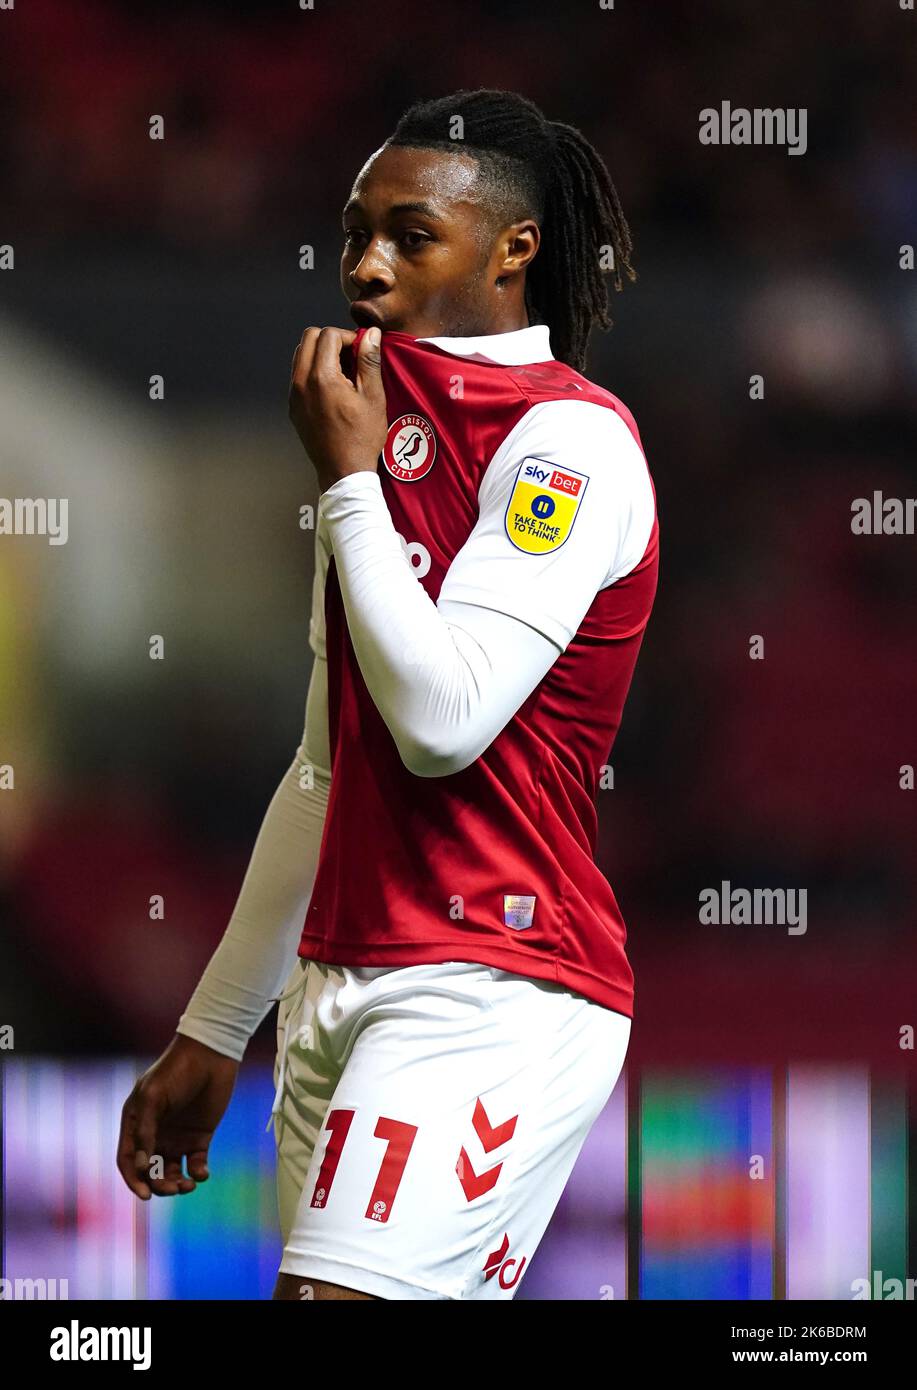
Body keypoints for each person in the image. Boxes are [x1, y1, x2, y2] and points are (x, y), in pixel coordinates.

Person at [117, 87, 659, 1302]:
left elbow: (439, 724)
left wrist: (349, 486)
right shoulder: (369, 427)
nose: (362, 268)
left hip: (494, 974)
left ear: (513, 249)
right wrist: (216, 1025)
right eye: (354, 231)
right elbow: (327, 765)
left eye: (409, 236)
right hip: (336, 980)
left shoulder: (569, 443)